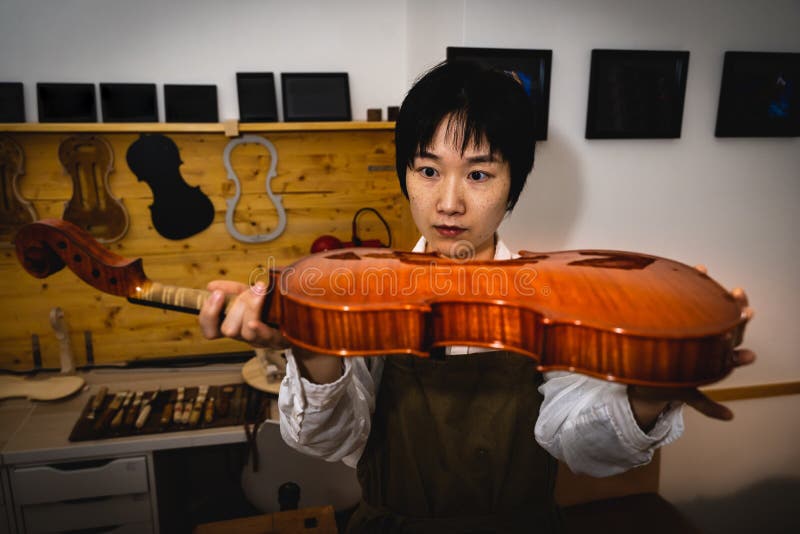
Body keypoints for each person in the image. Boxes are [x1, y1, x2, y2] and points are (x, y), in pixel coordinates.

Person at [199, 60, 755, 533]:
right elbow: (329, 440)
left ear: (514, 183)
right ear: (405, 176)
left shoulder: (551, 296)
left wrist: (646, 397)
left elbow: (581, 447)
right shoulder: (366, 292)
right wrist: (312, 349)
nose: (448, 202)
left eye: (479, 174)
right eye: (427, 169)